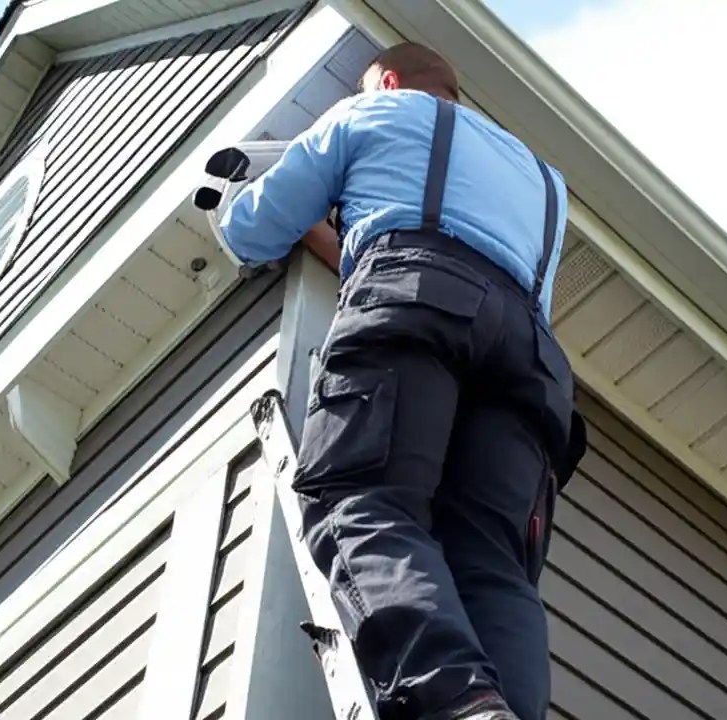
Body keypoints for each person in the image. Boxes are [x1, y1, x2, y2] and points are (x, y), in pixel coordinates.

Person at [217, 42, 584, 720]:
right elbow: (481, 275)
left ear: (386, 82)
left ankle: (458, 702)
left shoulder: (372, 113)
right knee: (493, 562)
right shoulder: (545, 186)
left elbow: (255, 229)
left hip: (417, 305)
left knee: (362, 501)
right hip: (529, 361)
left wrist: (237, 207)